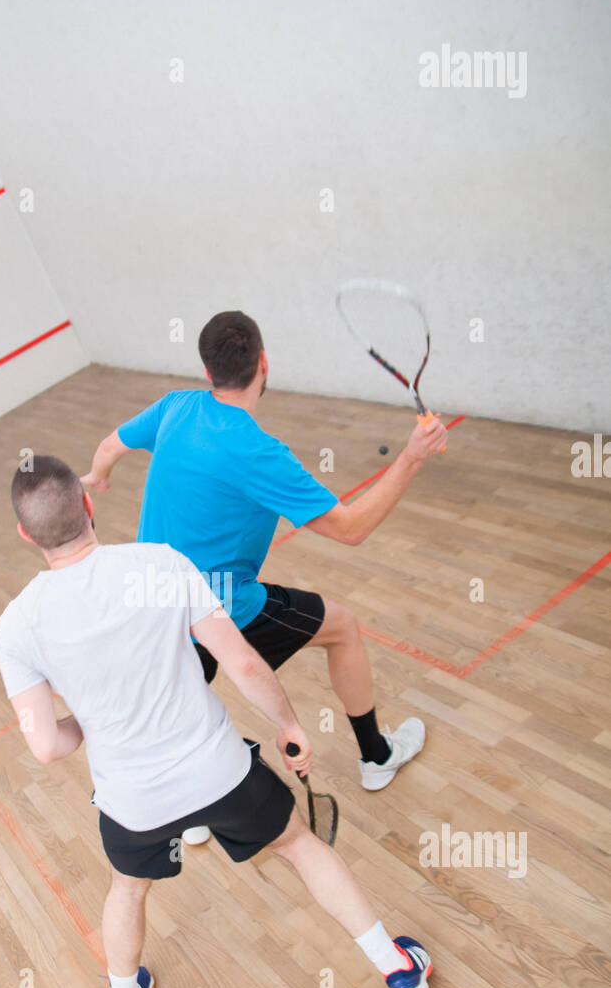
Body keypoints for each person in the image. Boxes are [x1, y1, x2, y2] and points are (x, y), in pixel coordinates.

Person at [0, 455, 432, 988]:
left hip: (133, 803)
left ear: (25, 533)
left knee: (128, 887)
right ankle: (397, 968)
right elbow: (243, 662)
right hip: (220, 773)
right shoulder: (161, 564)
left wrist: (95, 721)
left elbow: (46, 746)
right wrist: (288, 725)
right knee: (300, 845)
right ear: (88, 505)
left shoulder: (18, 626)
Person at [81, 309, 449, 841]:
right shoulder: (261, 454)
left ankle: (189, 814)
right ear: (264, 363)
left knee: (184, 690)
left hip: (151, 603)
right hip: (222, 607)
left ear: (206, 371)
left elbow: (111, 445)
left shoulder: (174, 407)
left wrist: (97, 475)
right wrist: (413, 457)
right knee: (341, 627)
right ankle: (376, 756)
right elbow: (351, 529)